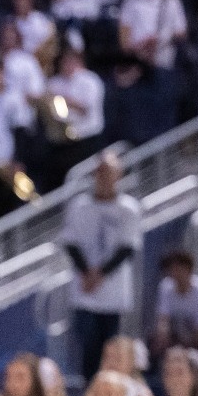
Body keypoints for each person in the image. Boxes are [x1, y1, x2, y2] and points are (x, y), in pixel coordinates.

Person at [58, 153, 143, 383]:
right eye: (101, 172)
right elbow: (70, 241)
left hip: (113, 291)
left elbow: (128, 247)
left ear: (119, 175)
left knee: (112, 349)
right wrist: (87, 273)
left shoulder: (129, 208)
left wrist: (100, 274)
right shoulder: (79, 206)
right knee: (89, 346)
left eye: (110, 172)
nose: (105, 178)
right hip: (85, 291)